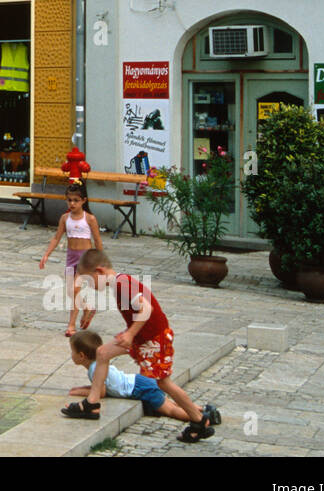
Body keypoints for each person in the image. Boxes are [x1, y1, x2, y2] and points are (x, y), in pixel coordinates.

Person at [61, 249, 218, 443]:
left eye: (89, 281)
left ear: (99, 272)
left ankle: (199, 420)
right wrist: (130, 332)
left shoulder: (121, 284)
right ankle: (92, 404)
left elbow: (146, 309)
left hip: (154, 339)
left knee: (163, 383)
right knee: (102, 353)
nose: (89, 286)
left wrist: (130, 334)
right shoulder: (119, 283)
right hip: (142, 338)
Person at [65, 330, 217, 426]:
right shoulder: (97, 366)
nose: (71, 355)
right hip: (140, 382)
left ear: (81, 355)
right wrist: (85, 388)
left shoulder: (94, 370)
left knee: (170, 410)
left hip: (140, 388)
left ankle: (202, 420)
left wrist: (80, 391)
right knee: (171, 403)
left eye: (72, 351)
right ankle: (203, 409)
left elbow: (101, 392)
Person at [38, 184, 103, 336]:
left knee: (74, 289)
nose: (72, 203)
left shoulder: (90, 219)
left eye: (76, 200)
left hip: (85, 258)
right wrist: (47, 254)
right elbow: (56, 237)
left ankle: (71, 325)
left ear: (83, 201)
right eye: (69, 200)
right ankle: (87, 308)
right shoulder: (65, 218)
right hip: (71, 257)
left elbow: (98, 241)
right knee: (70, 291)